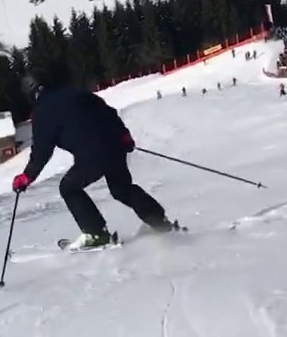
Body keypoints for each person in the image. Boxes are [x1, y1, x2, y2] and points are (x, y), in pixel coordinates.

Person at [11, 75, 176, 250]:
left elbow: (42, 150)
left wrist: (27, 177)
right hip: (114, 146)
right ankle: (160, 221)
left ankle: (96, 233)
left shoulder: (42, 112)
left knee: (69, 188)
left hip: (91, 155)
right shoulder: (75, 93)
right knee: (122, 188)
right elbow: (108, 112)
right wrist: (124, 136)